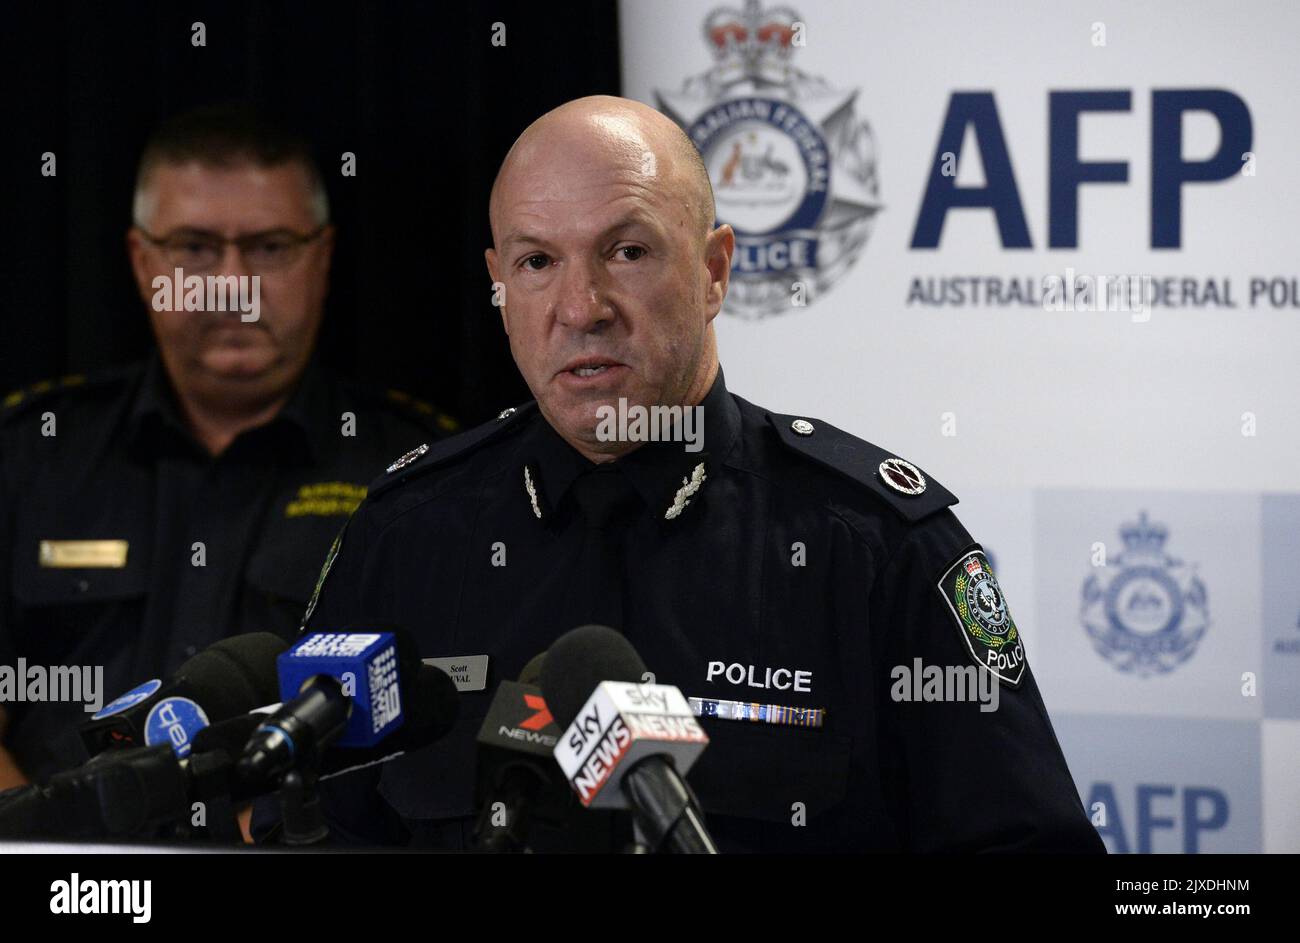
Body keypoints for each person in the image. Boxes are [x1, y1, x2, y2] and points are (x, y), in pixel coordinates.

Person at [276, 95, 1104, 852]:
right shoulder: (403, 535)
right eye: (537, 264)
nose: (581, 306)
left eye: (626, 251)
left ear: (714, 270)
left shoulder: (876, 550)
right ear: (497, 284)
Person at [0, 104, 454, 788]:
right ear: (140, 258)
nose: (234, 284)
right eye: (196, 248)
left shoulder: (417, 472)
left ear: (322, 259)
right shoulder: (30, 454)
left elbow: (439, 733)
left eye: (270, 247)